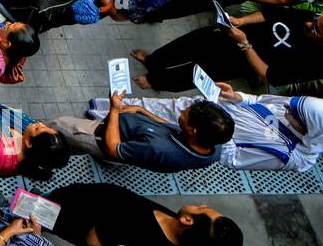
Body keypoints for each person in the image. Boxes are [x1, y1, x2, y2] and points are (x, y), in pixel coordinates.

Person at [89, 90, 323, 173]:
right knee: (144, 108)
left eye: (293, 112)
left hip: (198, 131)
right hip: (199, 116)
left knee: (134, 139)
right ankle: (102, 112)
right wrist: (237, 98)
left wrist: (215, 129)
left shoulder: (284, 155)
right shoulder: (294, 108)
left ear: (307, 128)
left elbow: (234, 159)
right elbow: (259, 100)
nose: (284, 107)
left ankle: (97, 129)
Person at [132, 6, 323, 95]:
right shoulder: (311, 18)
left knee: (194, 73)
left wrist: (245, 44)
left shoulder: (315, 63)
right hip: (228, 34)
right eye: (316, 19)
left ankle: (154, 81)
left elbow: (270, 75)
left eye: (315, 29)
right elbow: (274, 13)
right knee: (184, 45)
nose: (308, 23)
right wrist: (242, 21)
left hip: (237, 60)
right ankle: (153, 61)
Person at [41, 183, 243, 246]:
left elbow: (93, 240)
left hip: (69, 214)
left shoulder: (136, 225)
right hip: (82, 203)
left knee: (33, 208)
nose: (202, 204)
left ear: (187, 220)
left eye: (201, 209)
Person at [55, 92, 233, 172]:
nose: (181, 113)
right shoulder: (212, 148)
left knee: (59, 126)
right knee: (71, 145)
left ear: (193, 131)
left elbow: (113, 149)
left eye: (185, 115)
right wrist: (142, 112)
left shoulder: (158, 149)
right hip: (129, 139)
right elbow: (170, 126)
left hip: (99, 137)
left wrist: (115, 111)